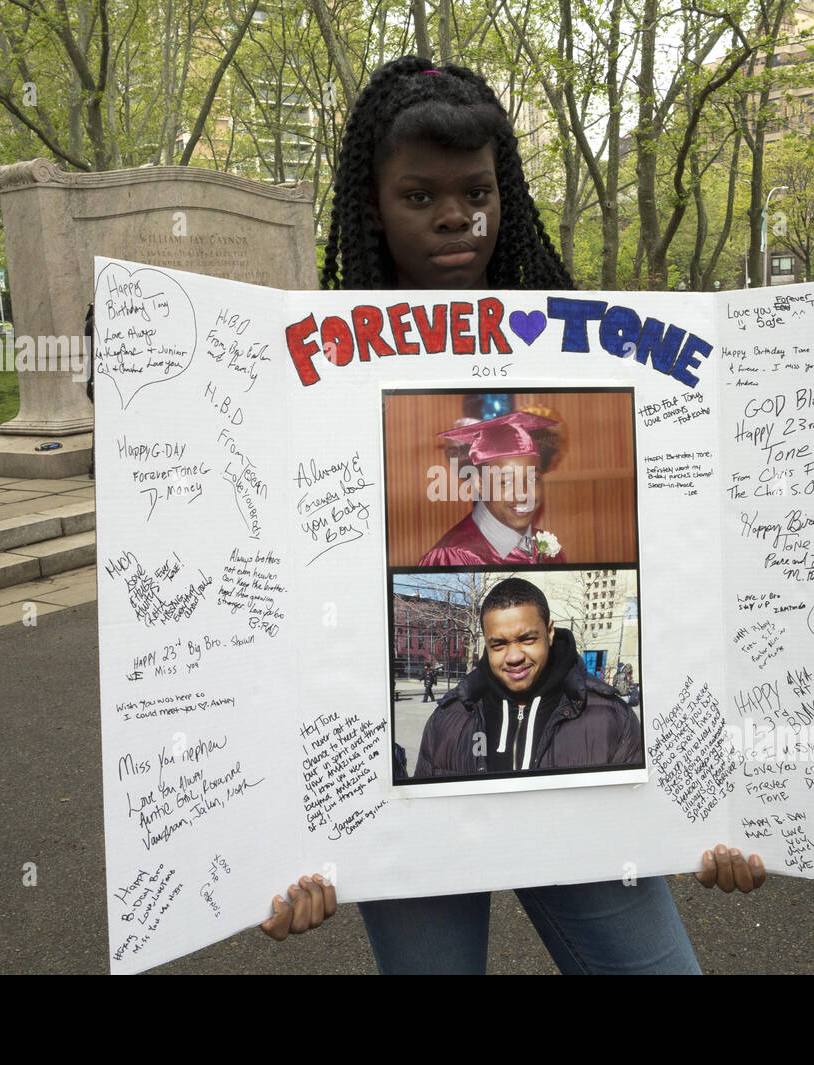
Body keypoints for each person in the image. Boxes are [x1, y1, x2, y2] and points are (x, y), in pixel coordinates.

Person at [260, 55, 764, 966]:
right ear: (372, 205)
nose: (456, 216)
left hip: (584, 796)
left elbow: (704, 560)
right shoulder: (303, 385)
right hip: (402, 810)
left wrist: (725, 808)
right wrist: (282, 845)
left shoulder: (588, 349)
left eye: (477, 191)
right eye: (420, 195)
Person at [415, 578, 640, 777]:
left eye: (527, 639)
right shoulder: (446, 720)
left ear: (549, 632)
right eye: (499, 644)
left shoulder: (614, 720)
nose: (514, 657)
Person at [418, 410, 567, 565]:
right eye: (506, 482)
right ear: (480, 484)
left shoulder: (548, 550)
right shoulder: (453, 557)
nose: (524, 494)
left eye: (533, 478)